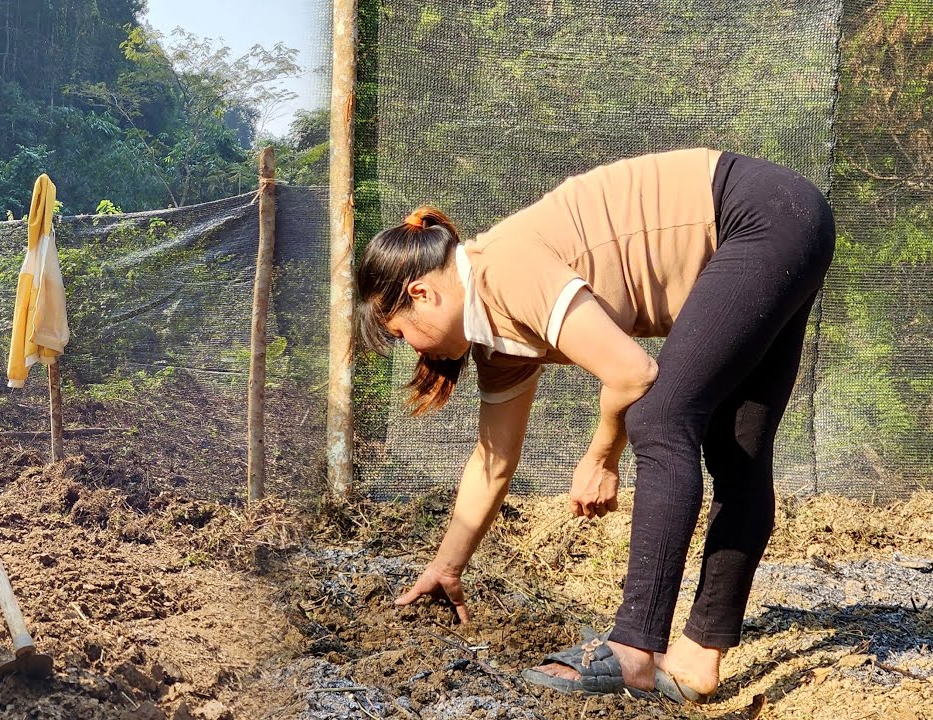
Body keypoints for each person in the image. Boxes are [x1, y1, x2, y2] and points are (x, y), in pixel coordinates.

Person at [356, 148, 835, 701]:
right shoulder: (495, 339)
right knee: (737, 449)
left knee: (659, 417)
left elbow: (634, 373)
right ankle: (698, 661)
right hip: (783, 222)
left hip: (759, 214)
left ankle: (633, 650)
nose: (410, 350)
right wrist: (447, 566)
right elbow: (493, 462)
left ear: (421, 294)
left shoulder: (503, 269)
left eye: (399, 334)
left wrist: (602, 455)